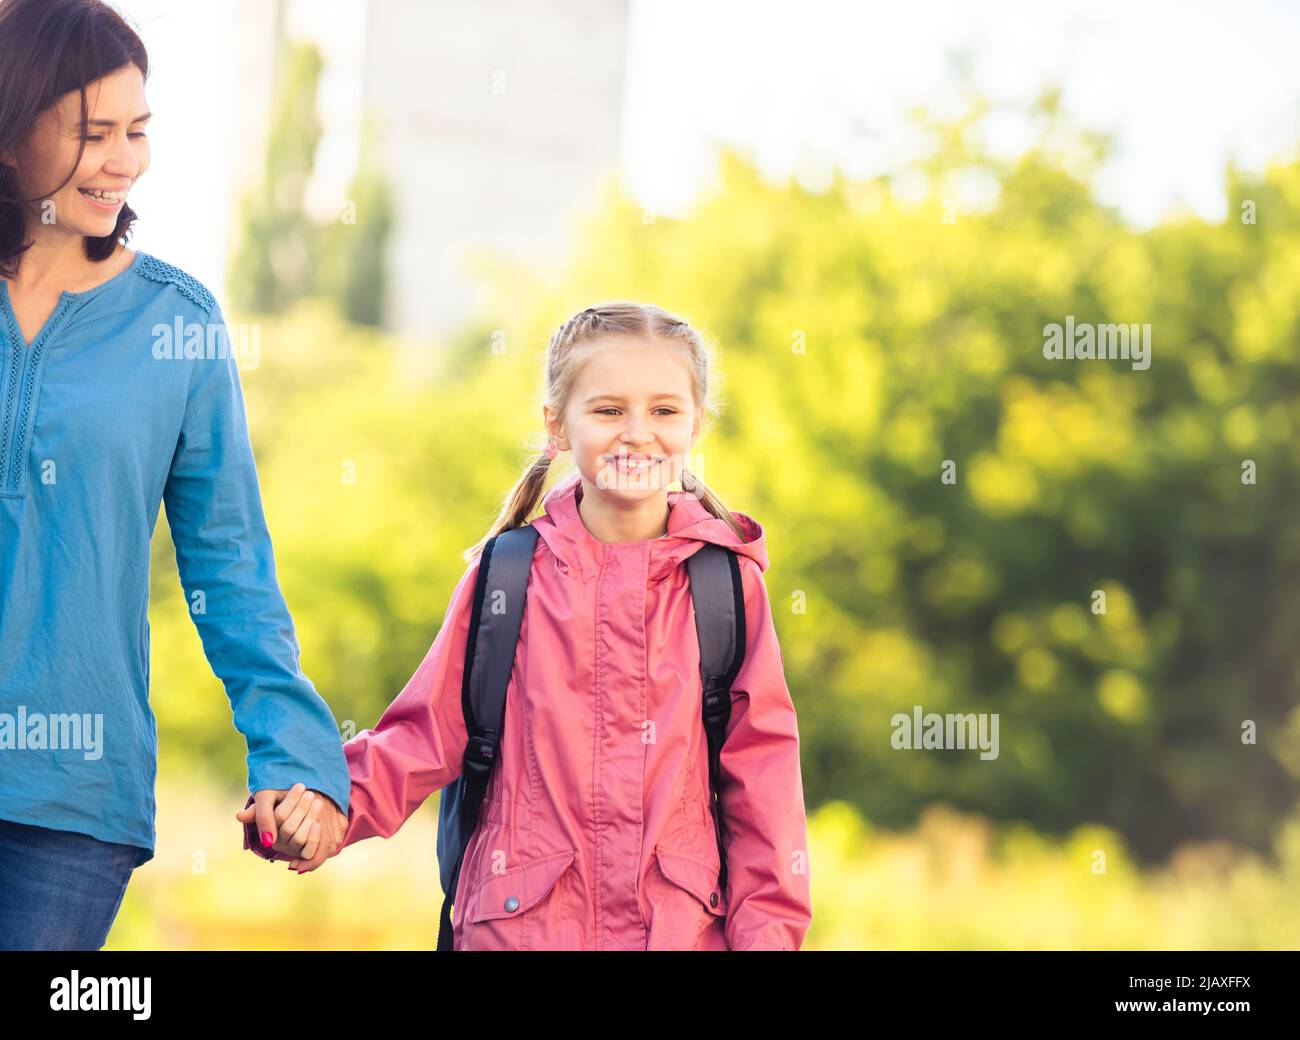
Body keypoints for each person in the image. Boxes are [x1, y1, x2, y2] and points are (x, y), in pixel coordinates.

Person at [267, 302, 814, 950]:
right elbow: (420, 736)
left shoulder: (724, 586)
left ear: (697, 421)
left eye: (664, 411)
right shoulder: (509, 577)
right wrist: (327, 806)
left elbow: (764, 788)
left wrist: (768, 939)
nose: (638, 432)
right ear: (557, 424)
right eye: (609, 410)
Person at [0, 0, 349, 951]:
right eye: (91, 133)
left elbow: (229, 563)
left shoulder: (178, 328)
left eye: (138, 131)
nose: (124, 160)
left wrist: (297, 755)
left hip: (71, 801)